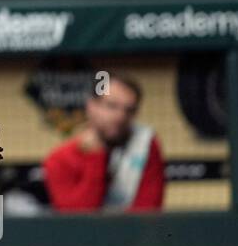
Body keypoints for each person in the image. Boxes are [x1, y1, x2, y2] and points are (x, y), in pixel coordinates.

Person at [42, 74, 165, 212]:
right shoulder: (59, 159)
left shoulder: (144, 144)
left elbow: (149, 210)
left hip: (131, 232)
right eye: (112, 106)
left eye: (129, 110)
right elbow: (76, 217)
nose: (120, 116)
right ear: (91, 106)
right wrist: (96, 157)